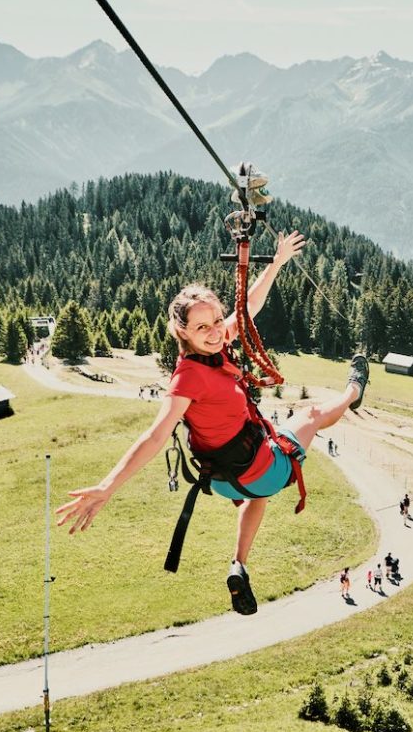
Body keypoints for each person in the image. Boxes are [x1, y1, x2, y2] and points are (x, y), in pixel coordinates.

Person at [56, 230, 370, 617]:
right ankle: (355, 390)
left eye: (218, 321)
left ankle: (239, 564)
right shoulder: (187, 378)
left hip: (222, 480)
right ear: (181, 332)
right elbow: (155, 435)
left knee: (257, 496)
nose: (216, 331)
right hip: (260, 470)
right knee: (313, 416)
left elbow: (248, 308)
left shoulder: (215, 347)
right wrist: (107, 487)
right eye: (202, 327)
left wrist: (276, 263)